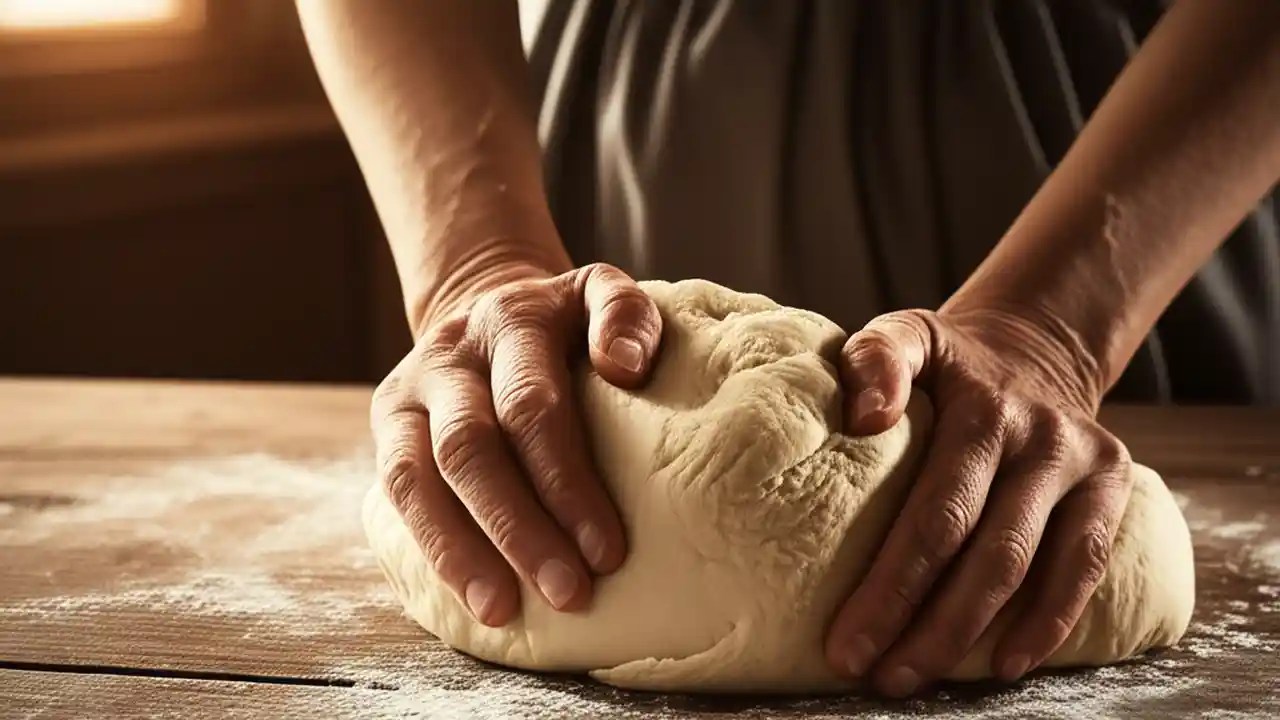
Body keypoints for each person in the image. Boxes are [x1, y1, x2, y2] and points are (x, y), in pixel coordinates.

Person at [296, 0, 1280, 698]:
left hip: (1119, 151)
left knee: (1035, 515)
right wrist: (476, 266)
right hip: (626, 101)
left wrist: (1054, 325)